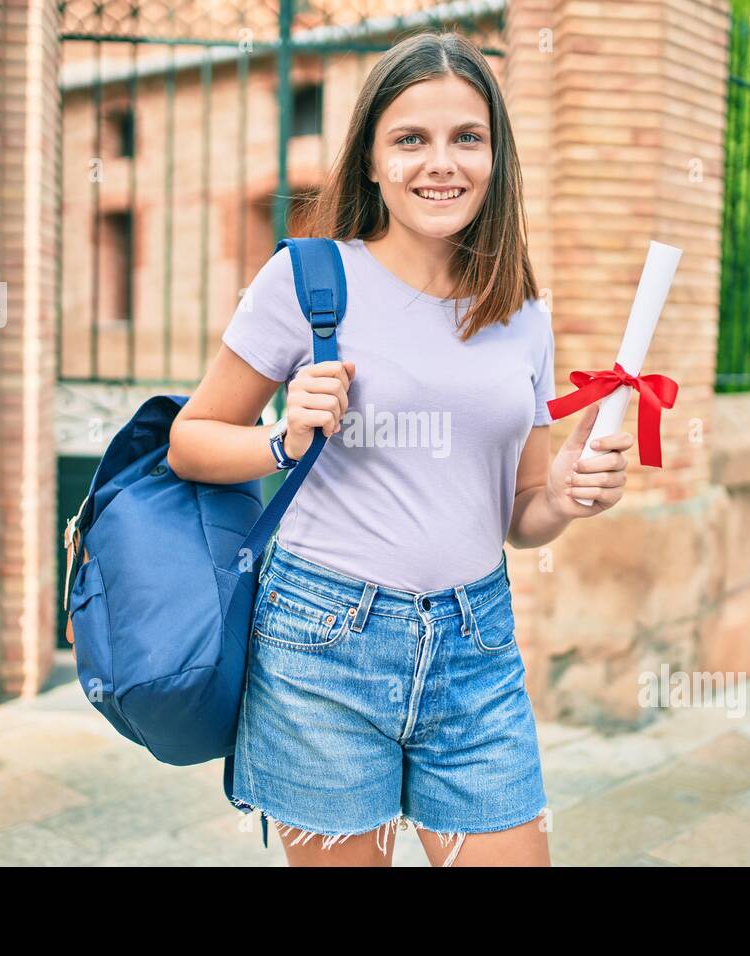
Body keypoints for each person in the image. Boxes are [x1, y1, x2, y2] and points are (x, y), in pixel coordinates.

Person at [167, 30, 633, 867]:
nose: (440, 164)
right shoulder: (310, 282)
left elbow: (523, 513)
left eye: (467, 138)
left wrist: (563, 496)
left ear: (496, 158)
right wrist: (282, 439)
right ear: (373, 161)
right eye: (410, 140)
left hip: (475, 645)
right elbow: (190, 444)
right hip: (322, 644)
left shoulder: (522, 310)